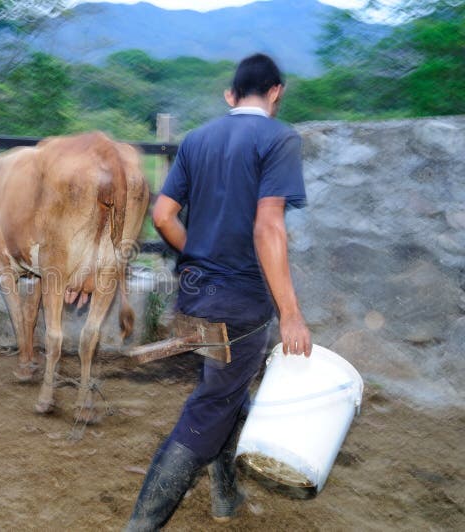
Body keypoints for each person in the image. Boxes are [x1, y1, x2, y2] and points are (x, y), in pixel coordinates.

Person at [125, 53, 313, 530]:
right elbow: (269, 228)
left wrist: (200, 253)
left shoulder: (197, 138)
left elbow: (163, 215)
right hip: (241, 305)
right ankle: (141, 524)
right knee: (212, 404)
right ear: (276, 93)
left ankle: (225, 495)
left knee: (226, 389)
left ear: (231, 96)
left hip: (192, 298)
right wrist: (291, 313)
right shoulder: (280, 138)